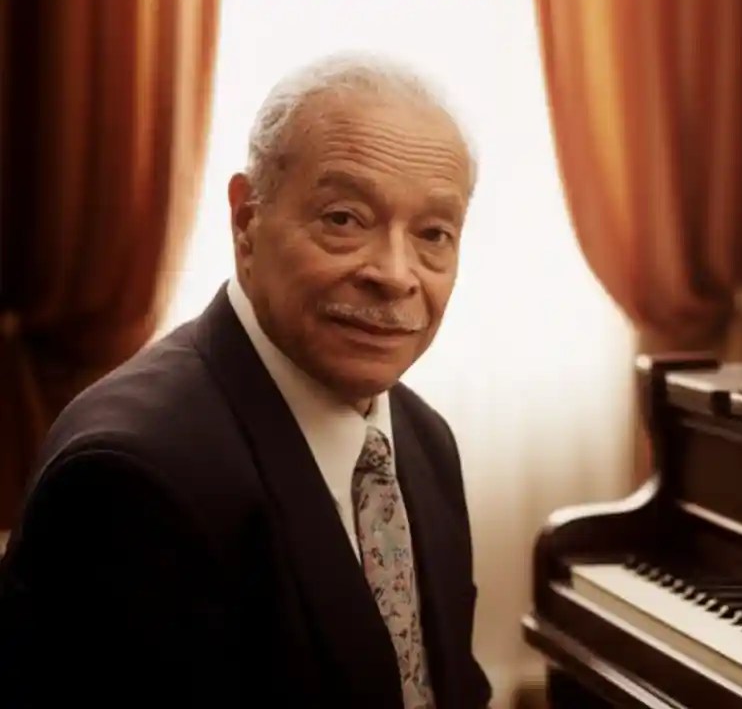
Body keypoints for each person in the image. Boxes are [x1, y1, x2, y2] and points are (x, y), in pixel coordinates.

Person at [0, 53, 491, 709]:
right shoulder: (128, 478)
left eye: (433, 233)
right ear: (246, 222)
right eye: (344, 219)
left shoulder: (424, 441)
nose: (396, 275)